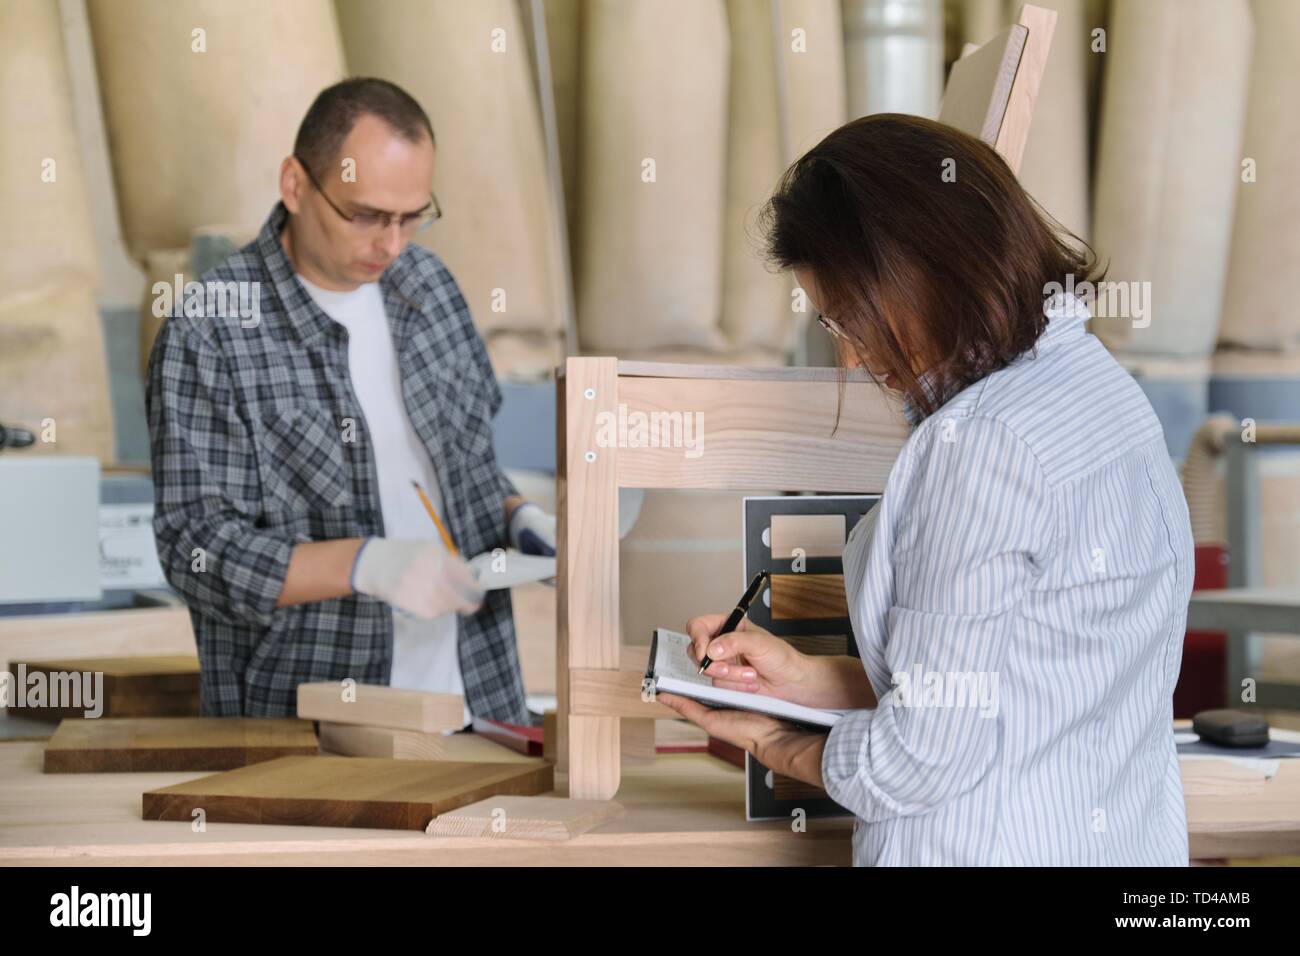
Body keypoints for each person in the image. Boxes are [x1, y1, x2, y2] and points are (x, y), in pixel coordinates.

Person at [657, 114, 1194, 866]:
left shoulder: (981, 446)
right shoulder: (1101, 393)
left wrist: (782, 744)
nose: (848, 357)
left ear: (913, 273)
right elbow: (1013, 683)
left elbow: (921, 760)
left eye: (847, 317)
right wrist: (811, 682)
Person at [146, 78, 554, 724]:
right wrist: (363, 564)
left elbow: (465, 470)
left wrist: (521, 518)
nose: (390, 245)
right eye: (364, 215)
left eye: (412, 216)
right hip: (315, 739)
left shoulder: (430, 288)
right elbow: (196, 550)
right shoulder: (211, 329)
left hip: (480, 710)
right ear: (295, 184)